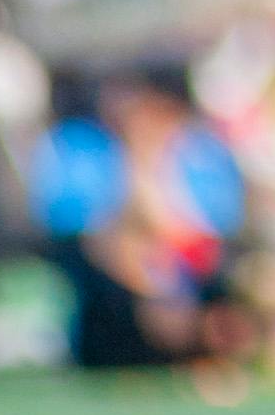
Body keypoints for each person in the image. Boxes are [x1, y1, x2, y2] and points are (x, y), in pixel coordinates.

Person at [31, 70, 257, 379]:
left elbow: (212, 236)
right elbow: (76, 233)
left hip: (188, 287)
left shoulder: (204, 156)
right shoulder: (82, 149)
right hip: (113, 293)